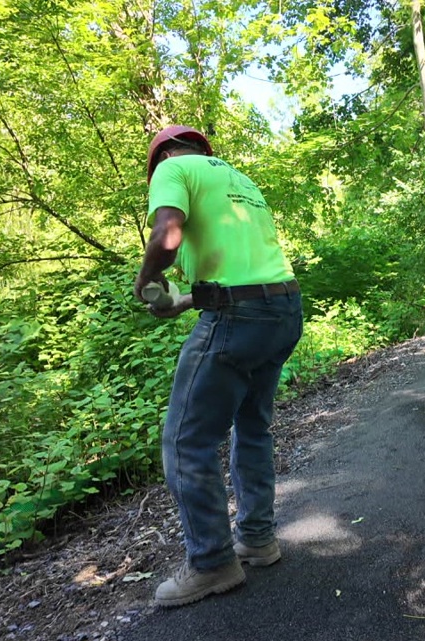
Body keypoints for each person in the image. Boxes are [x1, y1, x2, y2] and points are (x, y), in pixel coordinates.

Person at [133, 125, 303, 606]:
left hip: (237, 318)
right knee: (252, 427)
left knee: (186, 441)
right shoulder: (240, 181)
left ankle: (211, 563)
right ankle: (258, 539)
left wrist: (145, 280)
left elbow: (167, 235)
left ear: (163, 155)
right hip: (283, 309)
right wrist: (182, 300)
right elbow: (237, 276)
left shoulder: (171, 168)